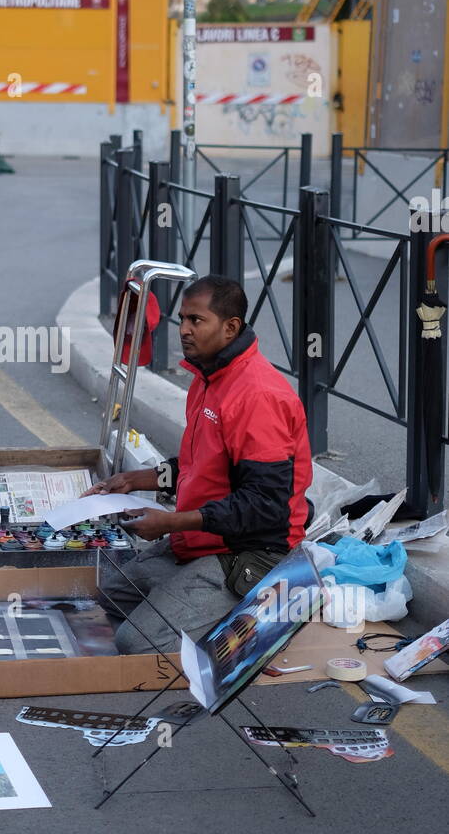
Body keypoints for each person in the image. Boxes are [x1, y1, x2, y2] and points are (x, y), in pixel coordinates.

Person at [85, 276, 313, 654]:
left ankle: (254, 611)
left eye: (196, 320)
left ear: (230, 327)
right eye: (182, 320)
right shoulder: (207, 377)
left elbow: (265, 506)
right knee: (109, 598)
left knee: (134, 643)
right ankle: (188, 600)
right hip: (205, 538)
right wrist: (134, 480)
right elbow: (200, 465)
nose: (184, 331)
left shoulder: (257, 396)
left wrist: (169, 522)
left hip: (252, 553)